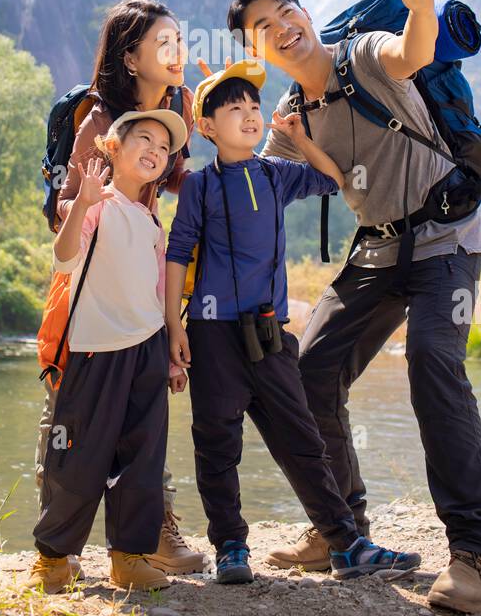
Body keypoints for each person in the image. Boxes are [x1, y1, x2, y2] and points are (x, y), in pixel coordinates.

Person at [226, 0, 481, 614]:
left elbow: (411, 51)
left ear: (304, 14)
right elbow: (254, 194)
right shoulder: (293, 112)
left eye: (285, 11)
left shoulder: (364, 54)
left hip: (446, 243)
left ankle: (475, 550)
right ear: (257, 50)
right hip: (376, 253)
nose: (281, 27)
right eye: (263, 28)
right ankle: (337, 529)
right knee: (304, 373)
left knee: (434, 363)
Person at [165, 60, 421, 584]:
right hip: (212, 335)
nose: (250, 115)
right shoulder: (199, 186)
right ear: (207, 127)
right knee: (217, 441)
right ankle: (231, 548)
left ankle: (346, 544)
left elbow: (332, 178)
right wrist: (174, 329)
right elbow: (176, 255)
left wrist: (298, 137)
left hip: (271, 335)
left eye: (255, 107)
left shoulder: (275, 175)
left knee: (303, 440)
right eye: (234, 109)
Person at [35, 0, 204, 576]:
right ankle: (55, 547)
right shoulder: (101, 121)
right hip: (89, 282)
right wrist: (96, 202)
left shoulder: (174, 109)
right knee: (75, 422)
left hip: (141, 280)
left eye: (179, 39)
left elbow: (178, 179)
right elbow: (68, 220)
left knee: (142, 426)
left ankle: (141, 541)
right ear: (131, 58)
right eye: (164, 42)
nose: (177, 51)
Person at [30, 110, 189, 594]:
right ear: (112, 148)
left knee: (142, 456)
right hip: (94, 350)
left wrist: (170, 349)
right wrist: (81, 204)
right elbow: (63, 258)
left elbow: (158, 291)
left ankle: (129, 558)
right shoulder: (96, 205)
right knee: (78, 458)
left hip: (146, 349)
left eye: (164, 149)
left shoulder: (150, 219)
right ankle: (54, 560)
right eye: (145, 139)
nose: (156, 152)